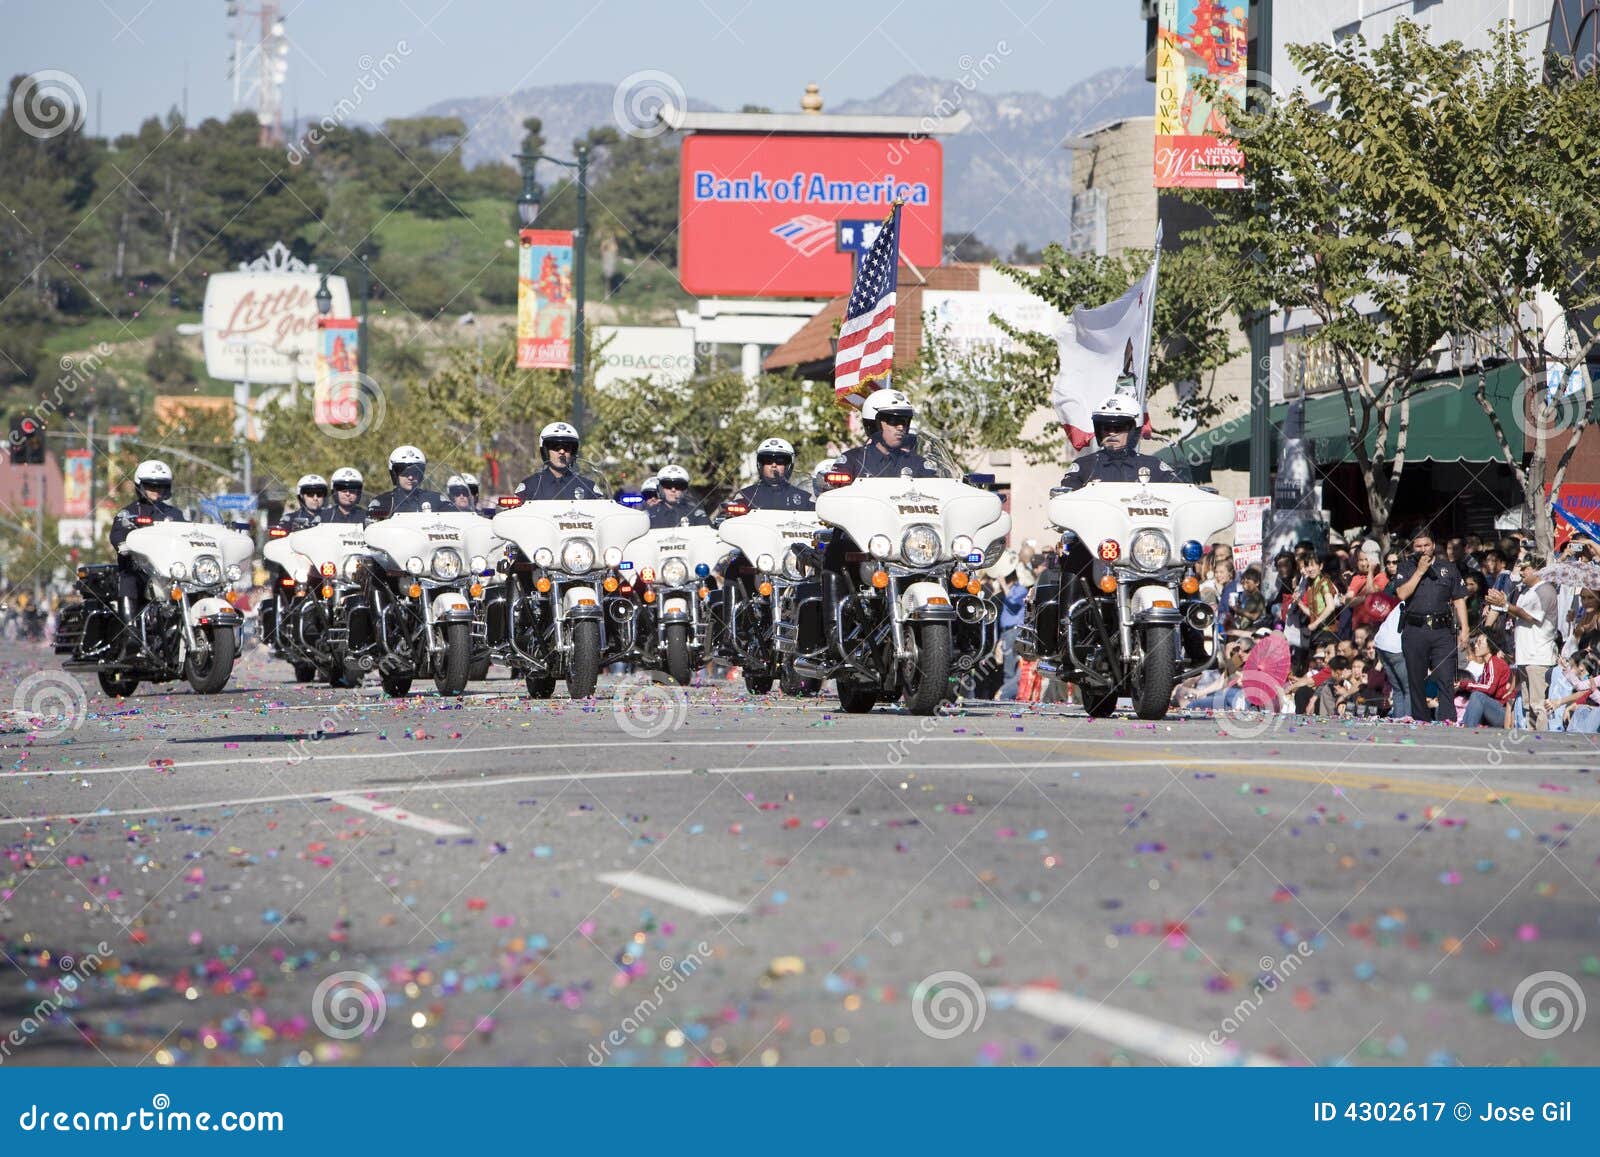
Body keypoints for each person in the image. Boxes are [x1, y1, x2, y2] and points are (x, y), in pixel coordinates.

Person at [109, 459, 185, 653]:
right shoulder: (128, 513)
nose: (156, 490)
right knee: (129, 579)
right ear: (140, 486)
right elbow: (117, 534)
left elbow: (187, 533)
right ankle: (130, 632)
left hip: (168, 572)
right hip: (141, 571)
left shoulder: (174, 514)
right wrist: (123, 543)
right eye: (151, 485)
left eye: (161, 486)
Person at [1394, 531, 1469, 723]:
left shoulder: (1448, 568)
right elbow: (1402, 594)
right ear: (1412, 548)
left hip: (1442, 630)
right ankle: (1420, 719)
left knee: (1445, 676)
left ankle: (1448, 719)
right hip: (1415, 629)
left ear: (1433, 545)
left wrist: (1465, 629)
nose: (1423, 550)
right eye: (1418, 546)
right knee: (1416, 678)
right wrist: (1419, 571)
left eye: (1426, 545)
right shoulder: (1405, 567)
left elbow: (1459, 598)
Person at [1057, 392, 1187, 491]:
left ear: (1133, 430)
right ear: (1098, 430)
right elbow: (1064, 501)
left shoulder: (1153, 466)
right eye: (1106, 428)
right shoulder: (1084, 467)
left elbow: (1183, 494)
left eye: (1118, 427)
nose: (1112, 433)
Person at [1486, 554, 1558, 730]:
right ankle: (1532, 739)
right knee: (1527, 704)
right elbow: (1519, 615)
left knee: (1538, 704)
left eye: (1525, 567)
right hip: (1525, 655)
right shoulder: (1526, 591)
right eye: (1520, 567)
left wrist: (1505, 604)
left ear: (1537, 569)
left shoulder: (1545, 590)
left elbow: (1529, 616)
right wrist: (1503, 604)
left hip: (1538, 656)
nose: (1521, 571)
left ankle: (1544, 741)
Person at [833, 389, 938, 480]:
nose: (901, 427)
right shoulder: (852, 461)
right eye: (894, 421)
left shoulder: (918, 464)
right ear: (874, 424)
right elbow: (834, 497)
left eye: (904, 422)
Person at [513, 422, 606, 502]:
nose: (562, 452)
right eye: (555, 447)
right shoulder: (530, 485)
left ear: (573, 452)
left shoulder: (588, 486)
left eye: (567, 448)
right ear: (545, 451)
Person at [726, 437, 814, 512]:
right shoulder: (745, 496)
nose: (774, 465)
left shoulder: (804, 498)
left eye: (780, 461)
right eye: (768, 461)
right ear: (760, 465)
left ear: (789, 466)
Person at [367, 445, 448, 518]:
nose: (410, 477)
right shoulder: (383, 502)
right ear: (394, 474)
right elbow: (372, 529)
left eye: (415, 472)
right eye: (405, 473)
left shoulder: (436, 499)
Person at [1457, 633, 1515, 728]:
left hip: (1504, 714)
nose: (1475, 645)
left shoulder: (1495, 662)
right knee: (1477, 695)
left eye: (1479, 643)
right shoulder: (1488, 664)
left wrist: (1465, 684)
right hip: (1496, 710)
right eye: (1476, 642)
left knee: (1477, 696)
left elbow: (1489, 688)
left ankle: (1468, 730)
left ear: (1490, 646)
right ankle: (1465, 726)